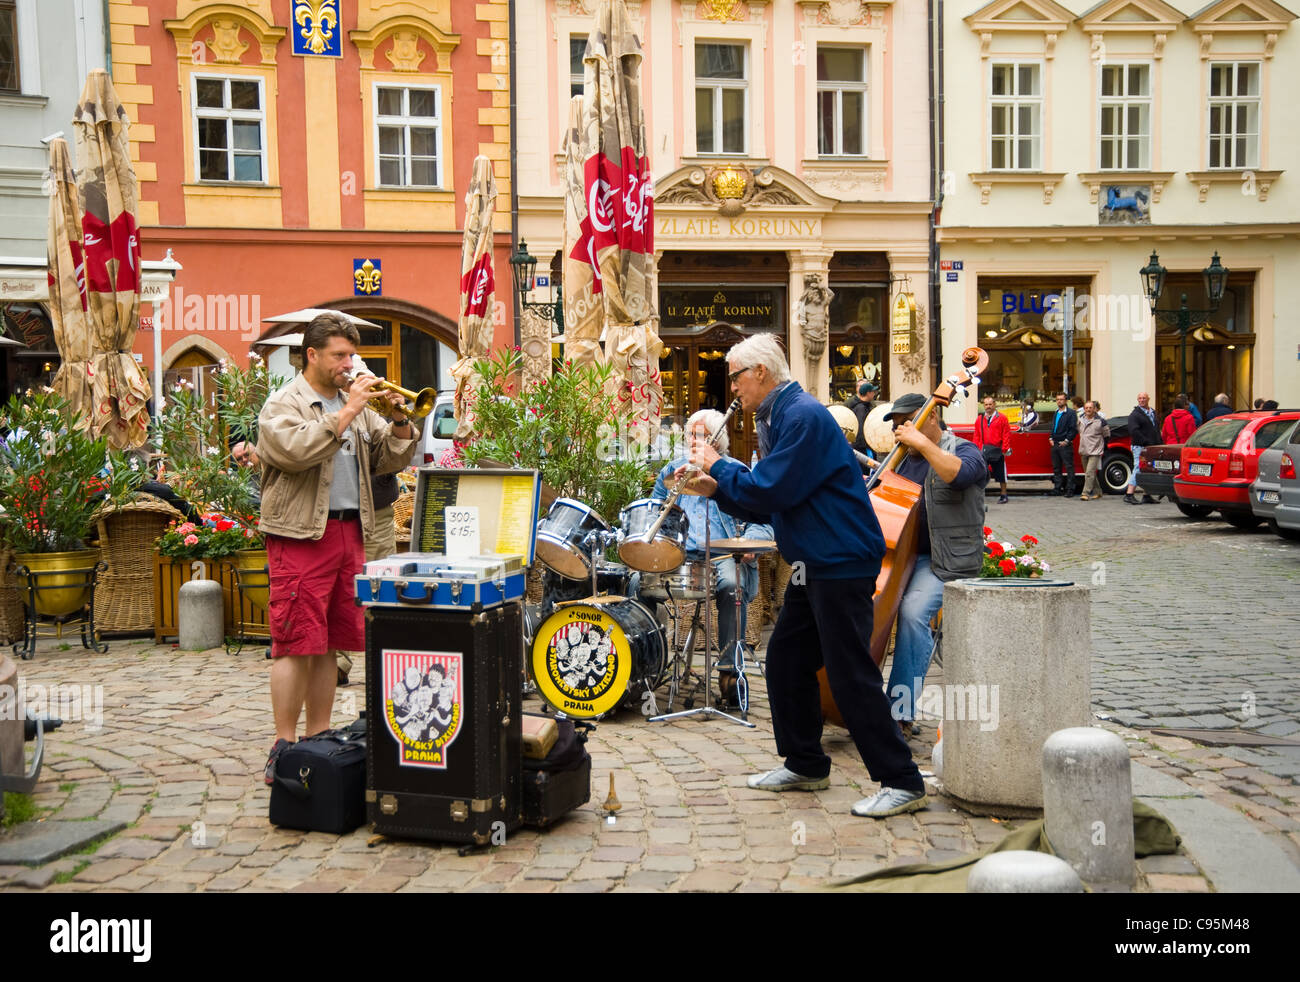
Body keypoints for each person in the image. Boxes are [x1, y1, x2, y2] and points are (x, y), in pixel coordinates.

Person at [682, 334, 926, 818]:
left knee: (850, 672)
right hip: (813, 562)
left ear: (760, 373)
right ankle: (806, 763)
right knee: (787, 661)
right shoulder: (777, 415)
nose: (731, 385)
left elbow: (770, 487)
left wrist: (720, 465)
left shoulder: (801, 416)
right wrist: (715, 488)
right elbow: (774, 498)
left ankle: (903, 780)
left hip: (839, 561)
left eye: (735, 375)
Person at [255, 312, 417, 784]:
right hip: (301, 534)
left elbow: (385, 460)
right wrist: (346, 411)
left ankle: (320, 736)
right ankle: (284, 744)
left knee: (327, 641)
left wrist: (400, 418)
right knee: (292, 641)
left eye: (352, 354)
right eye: (339, 355)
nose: (350, 363)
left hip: (351, 531)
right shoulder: (283, 404)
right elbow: (295, 452)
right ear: (312, 355)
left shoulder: (359, 406)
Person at [649, 409, 772, 706]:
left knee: (733, 585)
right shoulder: (673, 470)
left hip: (723, 558)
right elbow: (653, 514)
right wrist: (672, 495)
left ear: (717, 443)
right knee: (639, 581)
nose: (694, 441)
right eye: (691, 435)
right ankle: (646, 665)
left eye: (701, 436)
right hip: (679, 558)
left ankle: (730, 674)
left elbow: (763, 520)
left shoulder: (735, 471)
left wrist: (752, 544)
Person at [884, 393, 988, 736]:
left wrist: (921, 444)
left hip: (944, 560)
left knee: (913, 614)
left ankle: (898, 712)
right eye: (897, 425)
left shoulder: (964, 450)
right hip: (902, 558)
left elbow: (956, 476)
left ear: (931, 418)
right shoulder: (901, 459)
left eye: (905, 423)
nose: (900, 430)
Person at [1124, 391, 1161, 505]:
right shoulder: (1135, 415)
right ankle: (1129, 494)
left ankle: (1147, 494)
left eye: (1144, 398)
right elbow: (1133, 431)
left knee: (1149, 469)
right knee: (1138, 468)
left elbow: (1156, 429)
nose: (1142, 400)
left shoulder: (1152, 412)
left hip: (1152, 446)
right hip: (1140, 446)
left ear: (1148, 399)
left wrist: (1159, 442)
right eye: (1139, 398)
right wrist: (1145, 441)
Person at [974, 395, 1011, 504]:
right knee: (981, 474)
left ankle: (1004, 495)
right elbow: (976, 435)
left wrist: (1005, 448)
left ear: (994, 405)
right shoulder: (980, 419)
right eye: (986, 404)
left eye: (990, 404)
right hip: (984, 450)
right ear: (983, 406)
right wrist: (976, 448)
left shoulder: (1002, 418)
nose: (988, 406)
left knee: (1001, 474)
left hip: (998, 449)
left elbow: (1006, 434)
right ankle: (979, 496)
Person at [1078, 401, 1110, 501]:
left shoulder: (1101, 421)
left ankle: (1085, 493)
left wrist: (1102, 447)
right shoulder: (1080, 419)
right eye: (1086, 408)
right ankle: (1098, 491)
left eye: (1090, 408)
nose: (1088, 410)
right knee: (1090, 473)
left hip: (1095, 451)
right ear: (1084, 409)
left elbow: (1107, 435)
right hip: (1083, 449)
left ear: (1094, 409)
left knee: (1089, 473)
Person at [1048, 392, 1079, 495]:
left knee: (1069, 467)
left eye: (1061, 399)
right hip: (1055, 443)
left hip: (1065, 444)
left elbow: (1073, 429)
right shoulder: (1056, 412)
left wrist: (1067, 440)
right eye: (1057, 399)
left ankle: (1070, 489)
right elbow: (1053, 426)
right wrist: (1051, 437)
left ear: (1066, 401)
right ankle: (1057, 488)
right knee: (1056, 467)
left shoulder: (1071, 413)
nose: (1059, 401)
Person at [839, 379, 878, 456]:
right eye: (873, 392)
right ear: (868, 393)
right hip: (863, 448)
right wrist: (867, 446)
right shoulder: (861, 408)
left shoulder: (868, 405)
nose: (874, 393)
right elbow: (860, 433)